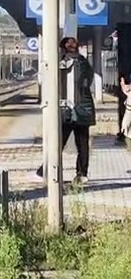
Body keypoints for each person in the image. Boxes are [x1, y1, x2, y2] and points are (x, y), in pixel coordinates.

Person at [36, 36, 95, 185]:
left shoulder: (67, 63)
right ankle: (80, 174)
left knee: (61, 142)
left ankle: (49, 170)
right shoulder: (82, 63)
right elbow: (87, 82)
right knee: (79, 144)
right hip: (78, 109)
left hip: (72, 110)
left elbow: (81, 82)